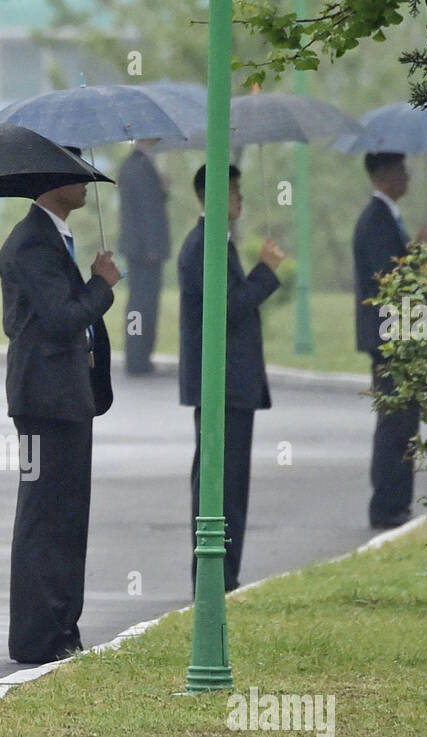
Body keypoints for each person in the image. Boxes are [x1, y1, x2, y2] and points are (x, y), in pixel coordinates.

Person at [0, 160, 119, 663]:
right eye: (77, 172)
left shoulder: (54, 238)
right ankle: (36, 636)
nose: (87, 180)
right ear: (50, 178)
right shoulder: (32, 243)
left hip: (68, 396)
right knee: (44, 519)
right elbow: (61, 319)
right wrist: (102, 284)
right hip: (45, 399)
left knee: (68, 519)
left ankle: (62, 628)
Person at [177, 163, 285, 592]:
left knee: (231, 484)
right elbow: (228, 308)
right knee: (219, 483)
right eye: (234, 191)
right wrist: (266, 271)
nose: (241, 198)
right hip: (219, 384)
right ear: (215, 195)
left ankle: (225, 573)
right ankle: (214, 575)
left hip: (233, 385)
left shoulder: (220, 243)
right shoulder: (204, 246)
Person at [352, 152, 427, 529]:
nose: (408, 178)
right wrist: (418, 254)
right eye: (403, 171)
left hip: (397, 334)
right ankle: (386, 505)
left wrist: (415, 251)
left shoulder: (386, 218)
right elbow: (388, 276)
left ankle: (395, 502)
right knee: (395, 422)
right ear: (384, 175)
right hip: (388, 336)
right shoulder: (376, 221)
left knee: (403, 421)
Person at [118, 138, 170, 375]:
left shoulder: (138, 165)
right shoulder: (139, 166)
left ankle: (139, 356)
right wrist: (152, 247)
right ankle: (138, 357)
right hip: (144, 250)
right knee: (142, 304)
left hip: (140, 248)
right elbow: (146, 211)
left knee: (143, 303)